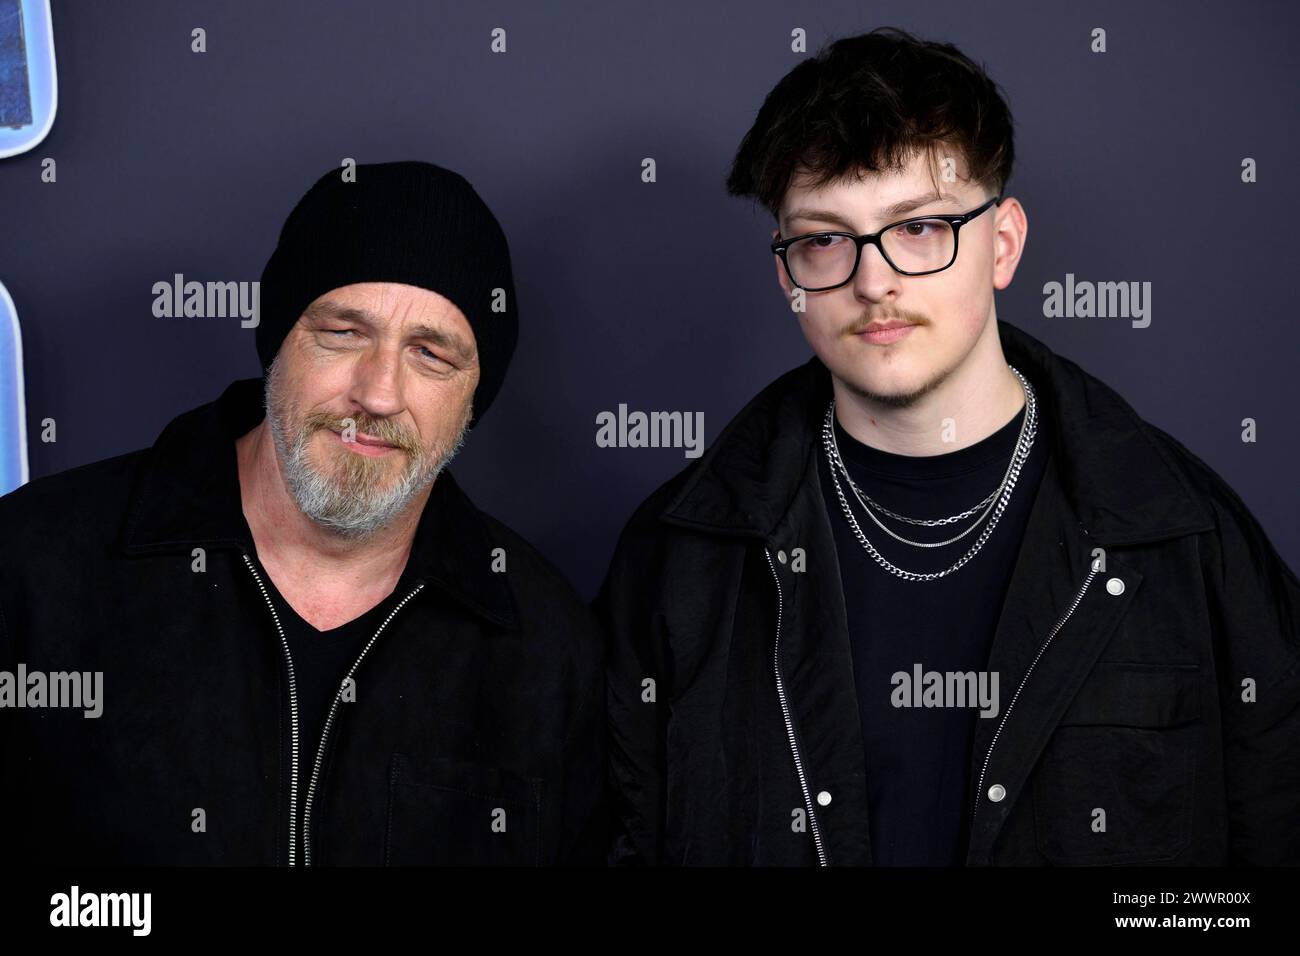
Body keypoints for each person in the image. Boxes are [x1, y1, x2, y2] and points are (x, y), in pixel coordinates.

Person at [597, 28, 1300, 865]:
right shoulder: (684, 554)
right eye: (825, 239)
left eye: (920, 228)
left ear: (1002, 245)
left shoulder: (1183, 536)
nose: (873, 280)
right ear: (788, 278)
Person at [0, 161, 606, 865]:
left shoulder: (545, 646)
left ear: (472, 399)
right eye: (345, 333)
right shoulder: (35, 570)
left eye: (431, 354)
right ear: (277, 344)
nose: (379, 394)